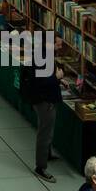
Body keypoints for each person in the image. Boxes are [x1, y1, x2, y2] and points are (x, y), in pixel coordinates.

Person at [21, 37, 62, 182]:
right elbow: (41, 82)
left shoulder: (44, 54)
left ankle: (48, 154)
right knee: (45, 132)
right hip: (44, 101)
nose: (60, 46)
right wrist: (57, 77)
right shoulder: (43, 58)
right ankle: (41, 167)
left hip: (45, 98)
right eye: (58, 43)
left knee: (47, 130)